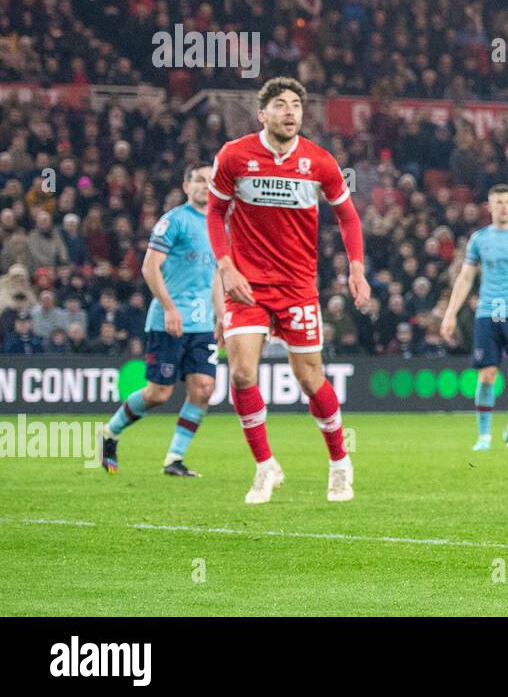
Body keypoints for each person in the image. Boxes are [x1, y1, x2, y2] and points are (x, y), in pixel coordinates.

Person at [206, 77, 370, 504]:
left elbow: (349, 218)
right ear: (262, 114)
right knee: (242, 374)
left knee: (309, 378)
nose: (290, 111)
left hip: (298, 287)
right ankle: (265, 467)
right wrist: (225, 268)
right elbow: (215, 213)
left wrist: (356, 268)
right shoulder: (235, 156)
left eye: (296, 104)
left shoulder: (319, 162)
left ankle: (339, 463)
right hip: (247, 286)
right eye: (280, 104)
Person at [99, 167, 222, 477]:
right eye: (199, 180)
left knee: (204, 389)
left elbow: (218, 274)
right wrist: (169, 308)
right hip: (169, 321)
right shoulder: (174, 221)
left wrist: (221, 315)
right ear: (186, 185)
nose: (206, 186)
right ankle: (109, 433)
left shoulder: (221, 224)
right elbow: (149, 268)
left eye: (211, 181)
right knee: (159, 394)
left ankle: (174, 459)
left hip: (202, 324)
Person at [440, 185, 508, 451]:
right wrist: (450, 314)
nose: (503, 206)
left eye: (507, 201)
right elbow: (465, 278)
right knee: (487, 375)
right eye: (498, 202)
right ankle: (484, 436)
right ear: (489, 206)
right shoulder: (479, 239)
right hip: (488, 313)